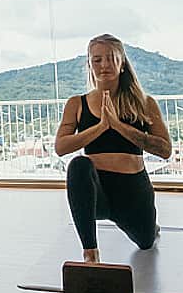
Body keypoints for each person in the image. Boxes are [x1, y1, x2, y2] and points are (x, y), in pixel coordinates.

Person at [54, 34, 172, 263]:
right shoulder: (77, 103)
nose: (104, 65)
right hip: (97, 193)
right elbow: (61, 147)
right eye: (97, 60)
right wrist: (101, 127)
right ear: (89, 64)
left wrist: (119, 126)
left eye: (111, 58)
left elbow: (165, 150)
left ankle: (151, 226)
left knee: (146, 242)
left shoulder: (145, 103)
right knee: (78, 164)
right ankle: (90, 253)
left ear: (122, 63)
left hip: (132, 190)